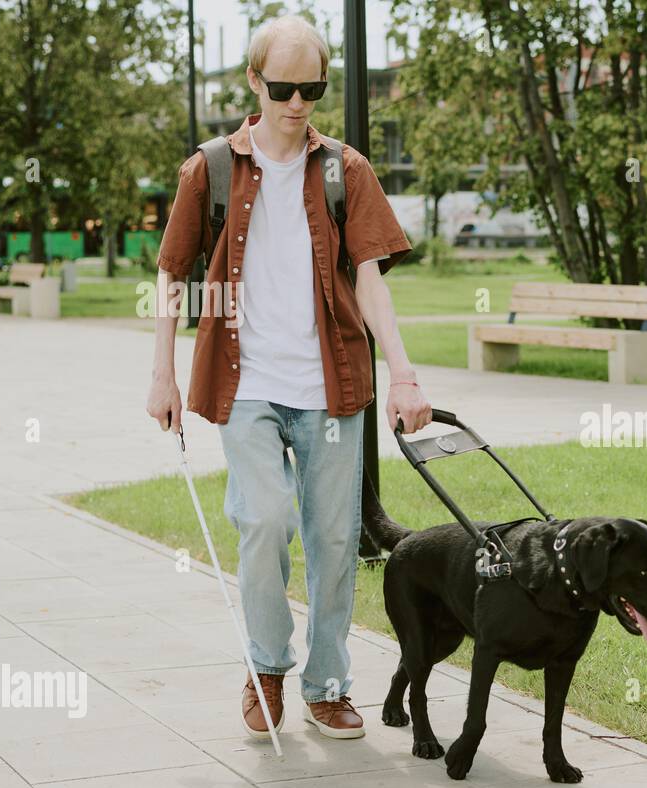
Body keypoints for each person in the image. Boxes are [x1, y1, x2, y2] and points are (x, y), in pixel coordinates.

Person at [145, 14, 432, 740]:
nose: (298, 103)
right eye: (283, 87)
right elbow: (172, 273)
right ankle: (266, 668)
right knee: (264, 520)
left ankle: (328, 684)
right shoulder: (208, 168)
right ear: (253, 82)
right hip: (243, 384)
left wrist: (403, 374)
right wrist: (163, 375)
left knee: (336, 541)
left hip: (332, 385)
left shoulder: (346, 169)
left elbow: (370, 282)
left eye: (313, 88)